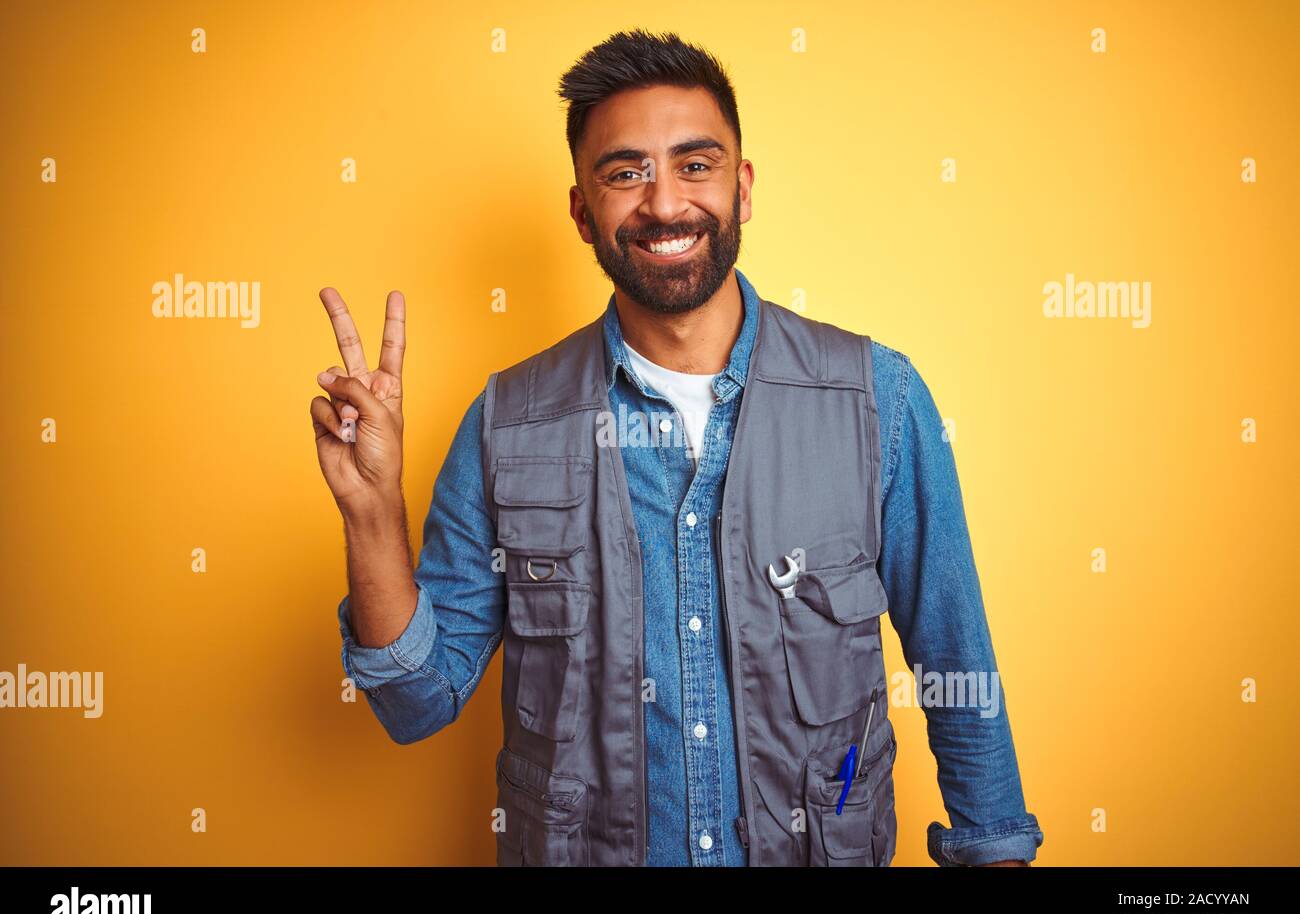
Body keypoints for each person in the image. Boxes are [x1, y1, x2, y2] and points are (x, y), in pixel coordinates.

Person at [309, 28, 1043, 867]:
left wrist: (994, 850)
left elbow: (957, 659)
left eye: (697, 164)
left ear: (744, 187)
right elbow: (417, 703)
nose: (665, 204)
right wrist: (370, 513)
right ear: (583, 210)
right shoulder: (505, 423)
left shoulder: (879, 400)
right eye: (626, 173)